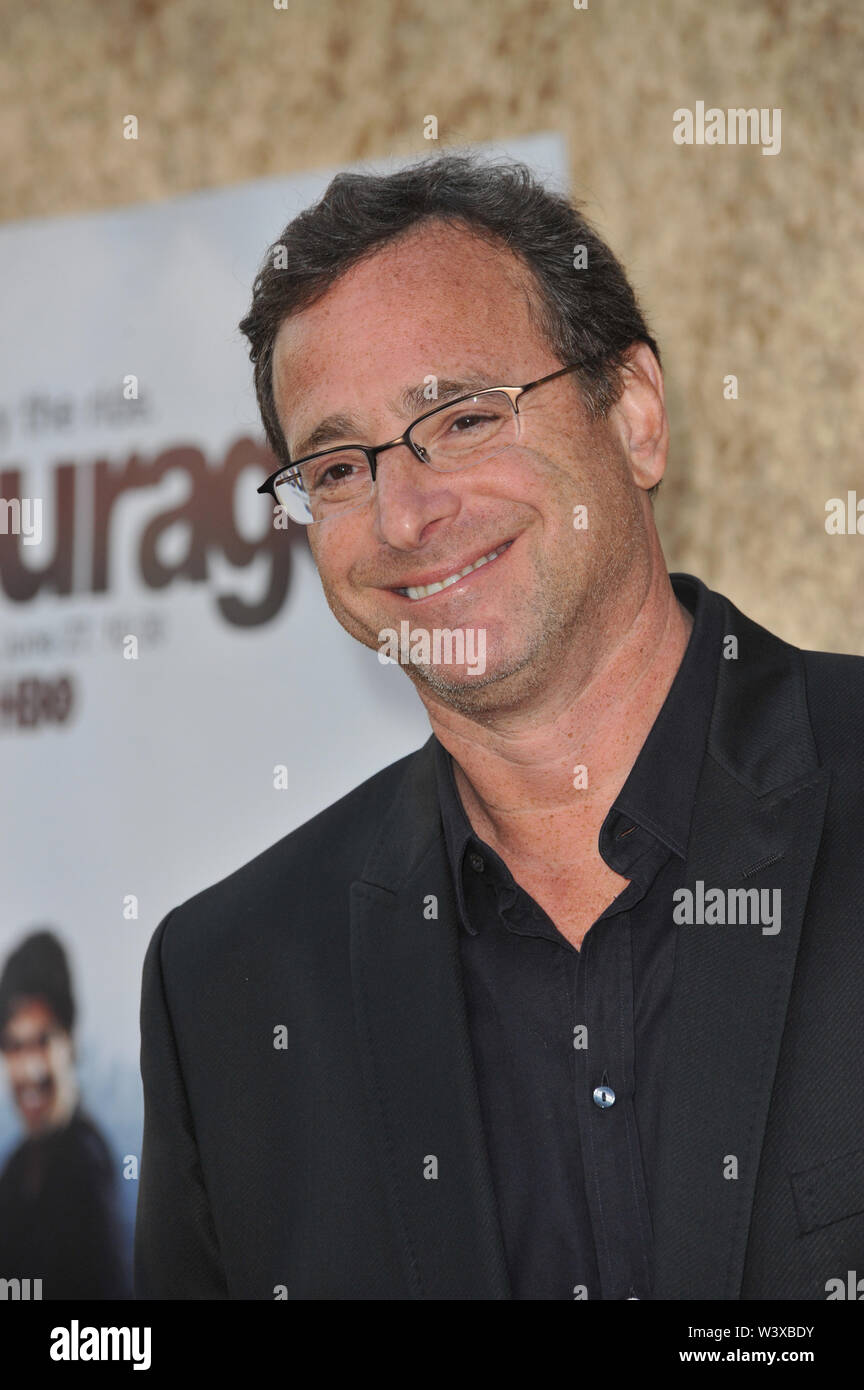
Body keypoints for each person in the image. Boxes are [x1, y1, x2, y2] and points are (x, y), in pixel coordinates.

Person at [135, 152, 864, 1300]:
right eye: (336, 466)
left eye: (464, 417)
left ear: (634, 416)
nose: (407, 512)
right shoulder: (229, 988)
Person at [0, 930, 131, 1298]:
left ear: (69, 1041)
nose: (31, 1070)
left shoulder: (85, 1167)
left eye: (43, 1041)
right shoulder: (16, 1169)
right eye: (14, 1045)